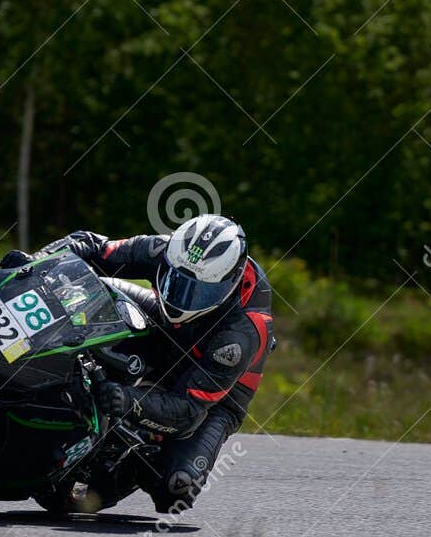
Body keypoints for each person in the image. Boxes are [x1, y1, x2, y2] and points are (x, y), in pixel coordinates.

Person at [31, 214, 276, 514]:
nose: (185, 298)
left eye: (202, 290)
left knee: (176, 489)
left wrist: (129, 402)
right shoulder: (167, 249)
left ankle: (135, 456)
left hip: (216, 395)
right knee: (94, 290)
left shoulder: (241, 333)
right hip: (163, 326)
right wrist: (34, 263)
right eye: (178, 279)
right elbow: (91, 245)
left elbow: (188, 411)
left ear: (230, 282)